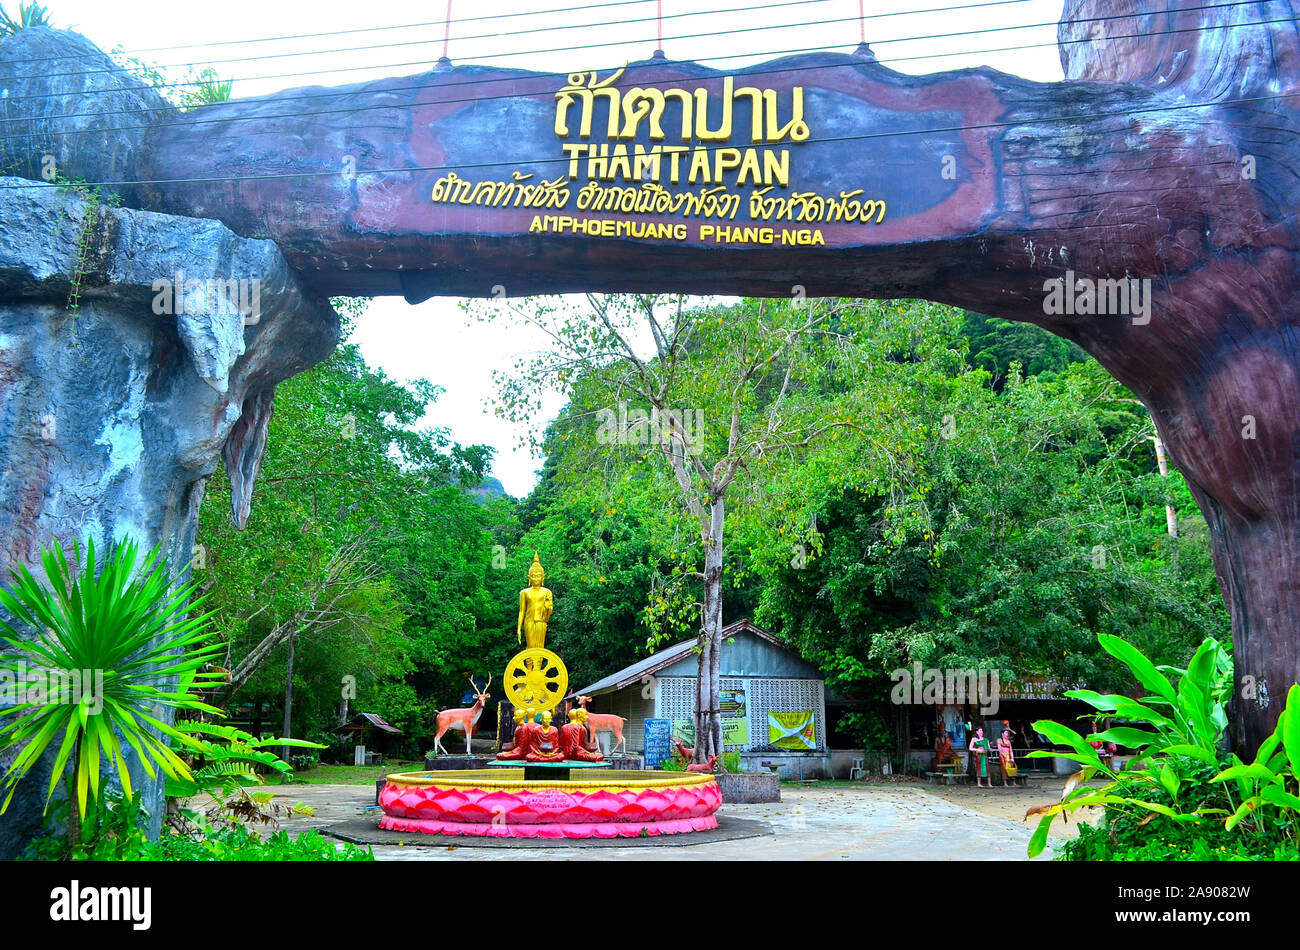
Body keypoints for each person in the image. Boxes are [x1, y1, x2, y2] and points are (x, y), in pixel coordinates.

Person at [517, 553, 554, 649]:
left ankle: (538, 664)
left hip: (541, 621)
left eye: (538, 576)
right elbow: (521, 611)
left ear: (543, 577)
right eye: (534, 576)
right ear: (529, 577)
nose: (536, 579)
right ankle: (529, 664)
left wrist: (547, 608)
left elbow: (550, 611)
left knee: (540, 647)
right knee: (530, 646)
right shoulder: (524, 592)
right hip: (529, 621)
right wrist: (518, 628)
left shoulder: (547, 592)